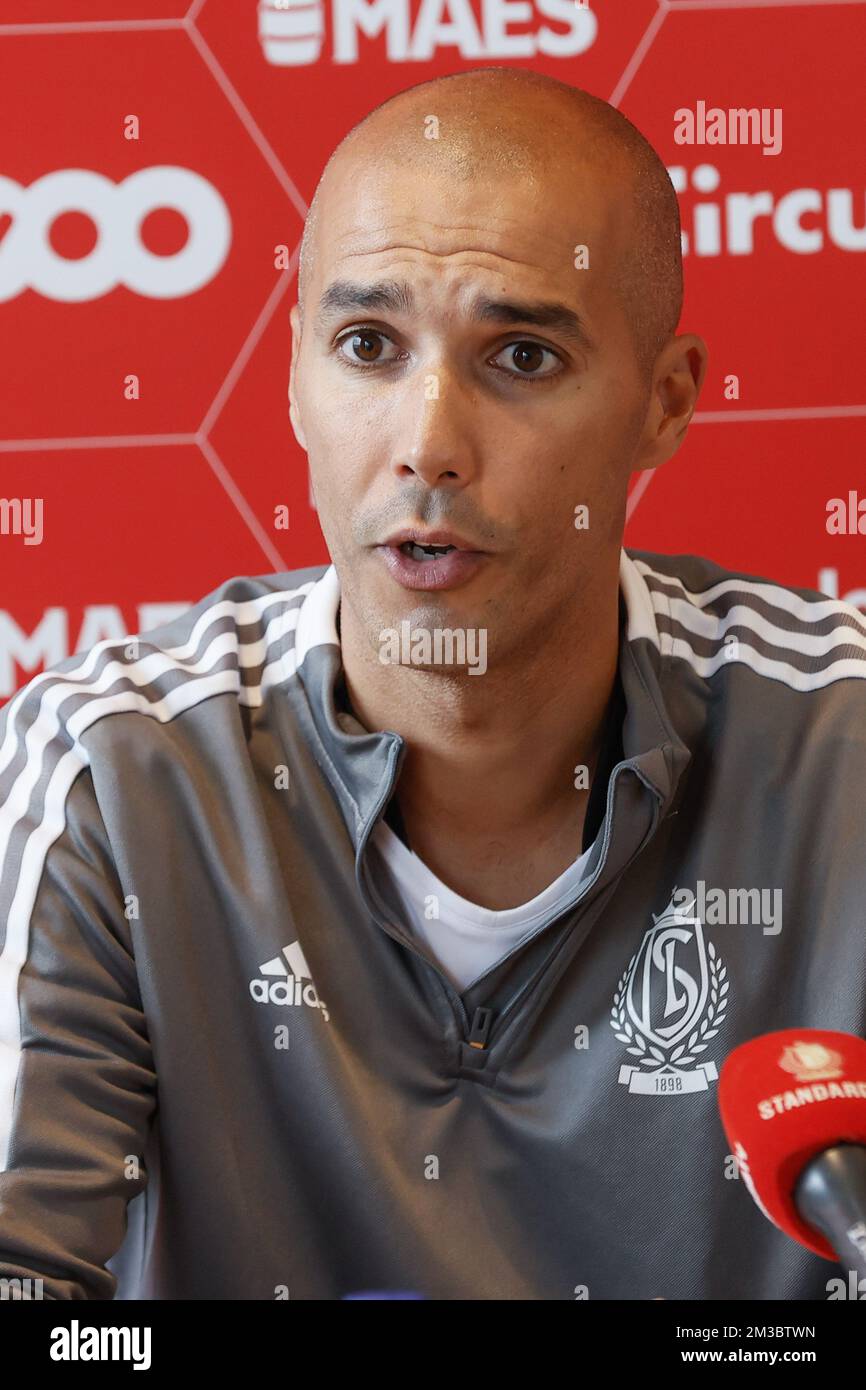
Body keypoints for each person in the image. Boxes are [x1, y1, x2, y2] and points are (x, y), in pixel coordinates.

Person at [1, 66, 864, 1301]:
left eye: (519, 354)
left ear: (663, 403)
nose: (426, 444)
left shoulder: (842, 748)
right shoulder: (115, 776)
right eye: (366, 345)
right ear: (294, 381)